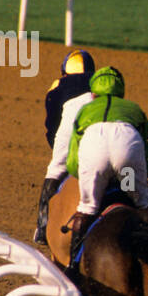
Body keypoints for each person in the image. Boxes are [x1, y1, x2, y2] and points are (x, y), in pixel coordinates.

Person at [64, 66, 148, 263]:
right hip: (125, 157)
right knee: (142, 202)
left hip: (94, 154)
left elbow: (73, 161)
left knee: (88, 207)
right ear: (121, 93)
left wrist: (90, 177)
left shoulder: (84, 111)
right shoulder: (134, 109)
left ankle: (72, 267)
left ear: (93, 95)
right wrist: (139, 178)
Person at [33, 48, 95, 243]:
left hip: (69, 131)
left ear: (65, 71)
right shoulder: (99, 83)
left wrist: (58, 148)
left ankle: (43, 228)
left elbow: (52, 125)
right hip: (102, 128)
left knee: (56, 169)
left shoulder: (58, 85)